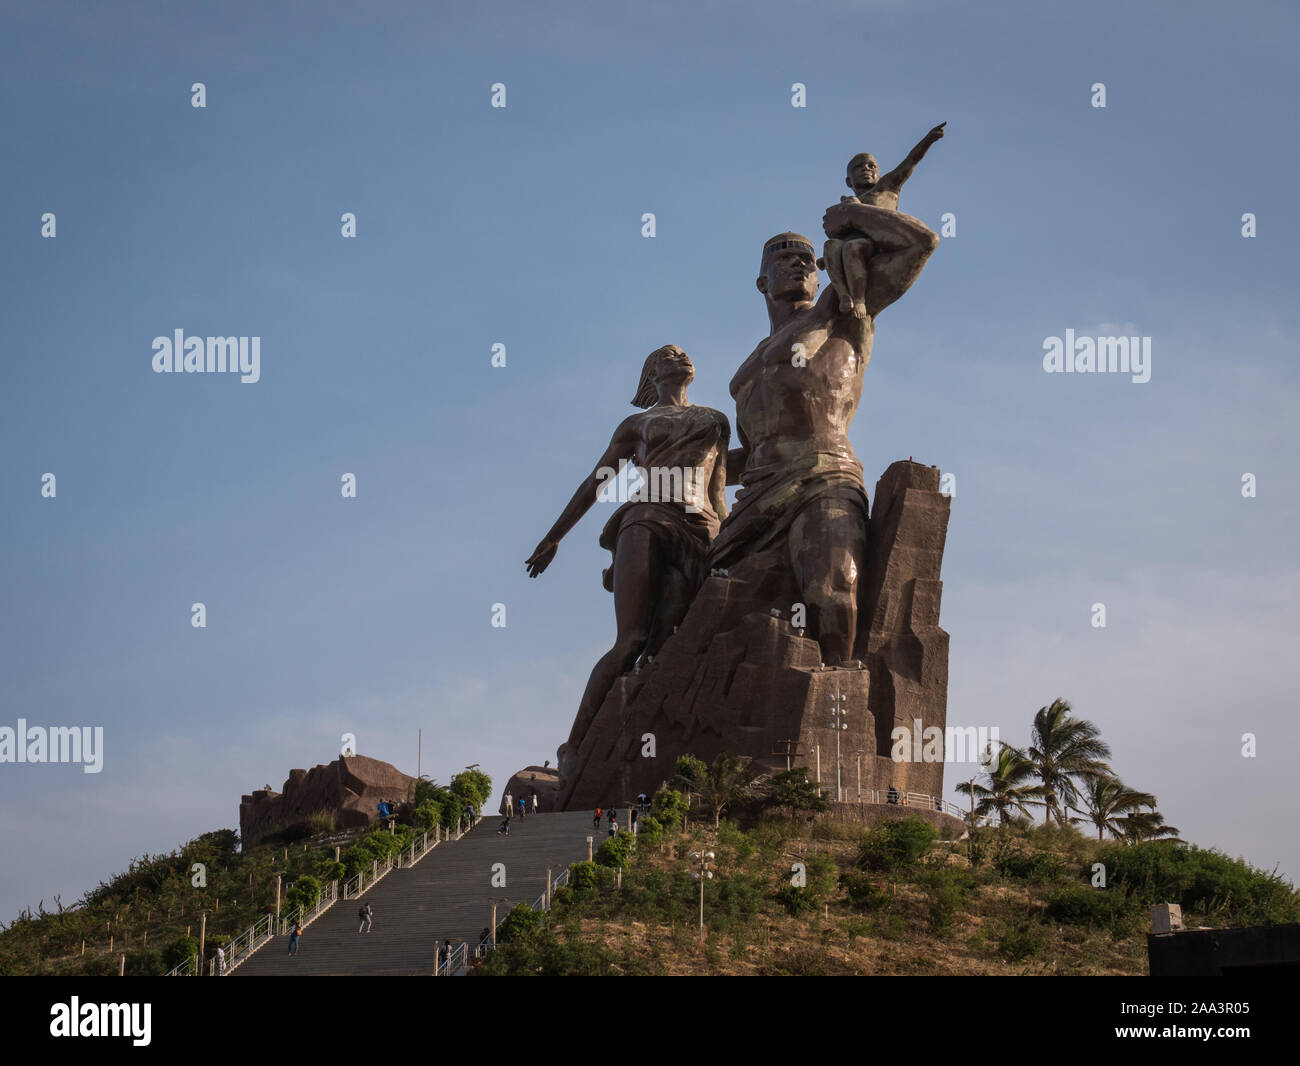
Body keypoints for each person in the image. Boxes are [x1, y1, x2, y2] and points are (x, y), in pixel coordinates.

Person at [708, 207, 939, 667]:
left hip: (823, 476)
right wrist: (681, 473)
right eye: (785, 258)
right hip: (755, 496)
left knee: (832, 588)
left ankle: (839, 689)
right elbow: (753, 451)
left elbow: (921, 243)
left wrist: (855, 213)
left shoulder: (845, 311)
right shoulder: (746, 371)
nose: (800, 265)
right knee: (699, 605)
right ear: (761, 282)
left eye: (809, 261)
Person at [527, 345, 731, 781]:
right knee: (632, 640)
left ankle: (654, 747)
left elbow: (718, 490)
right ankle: (575, 745)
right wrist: (553, 538)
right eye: (669, 356)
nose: (681, 358)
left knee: (672, 641)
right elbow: (597, 481)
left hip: (701, 529)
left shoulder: (715, 421)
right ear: (652, 375)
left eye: (684, 354)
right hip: (645, 520)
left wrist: (730, 540)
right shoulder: (637, 424)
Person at [821, 123, 945, 318]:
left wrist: (929, 139)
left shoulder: (887, 187)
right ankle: (844, 295)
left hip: (874, 245)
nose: (866, 169)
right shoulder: (846, 205)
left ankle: (859, 299)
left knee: (854, 248)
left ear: (879, 173)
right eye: (858, 167)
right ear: (848, 181)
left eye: (872, 166)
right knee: (831, 246)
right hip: (848, 245)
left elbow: (910, 161)